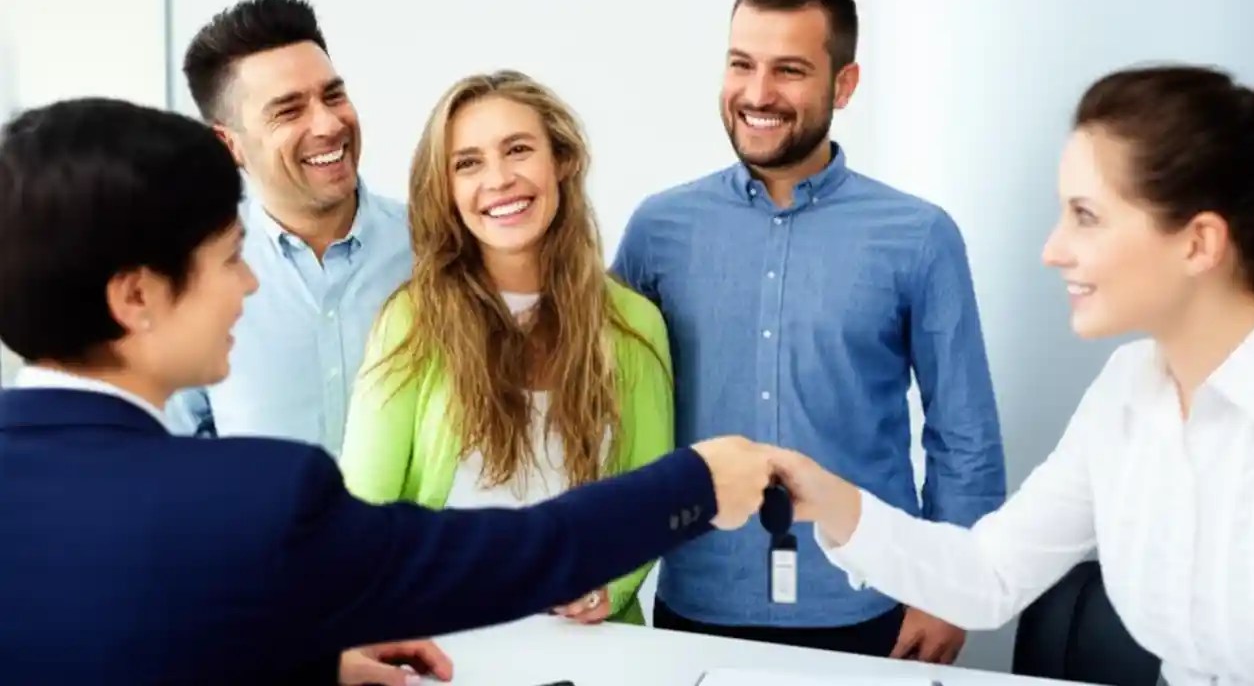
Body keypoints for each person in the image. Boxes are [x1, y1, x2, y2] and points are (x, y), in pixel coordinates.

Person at [0, 96, 782, 685]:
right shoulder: (249, 498)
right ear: (135, 296)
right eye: (230, 256)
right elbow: (511, 554)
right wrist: (699, 482)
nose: (245, 284)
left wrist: (318, 666)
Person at [771, 65, 1254, 686]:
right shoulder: (1127, 392)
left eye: (1086, 216)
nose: (1053, 249)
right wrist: (829, 499)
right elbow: (992, 575)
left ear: (1198, 243)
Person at [611, 0, 1003, 662]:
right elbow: (603, 406)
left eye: (789, 70)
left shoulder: (919, 236)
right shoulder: (658, 229)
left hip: (867, 607)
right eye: (741, 64)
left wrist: (950, 588)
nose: (757, 94)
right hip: (695, 605)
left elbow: (963, 434)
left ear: (843, 85)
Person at [339, 70, 674, 627]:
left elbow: (654, 499)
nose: (498, 179)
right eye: (467, 162)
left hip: (594, 651)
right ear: (445, 190)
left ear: (561, 160)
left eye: (517, 150)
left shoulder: (634, 324)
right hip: (445, 643)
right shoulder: (411, 321)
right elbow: (361, 511)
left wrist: (606, 590)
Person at [166, 0, 410, 458]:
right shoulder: (189, 282)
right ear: (229, 145)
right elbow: (171, 457)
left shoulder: (436, 249)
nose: (328, 124)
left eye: (333, 95)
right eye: (289, 110)